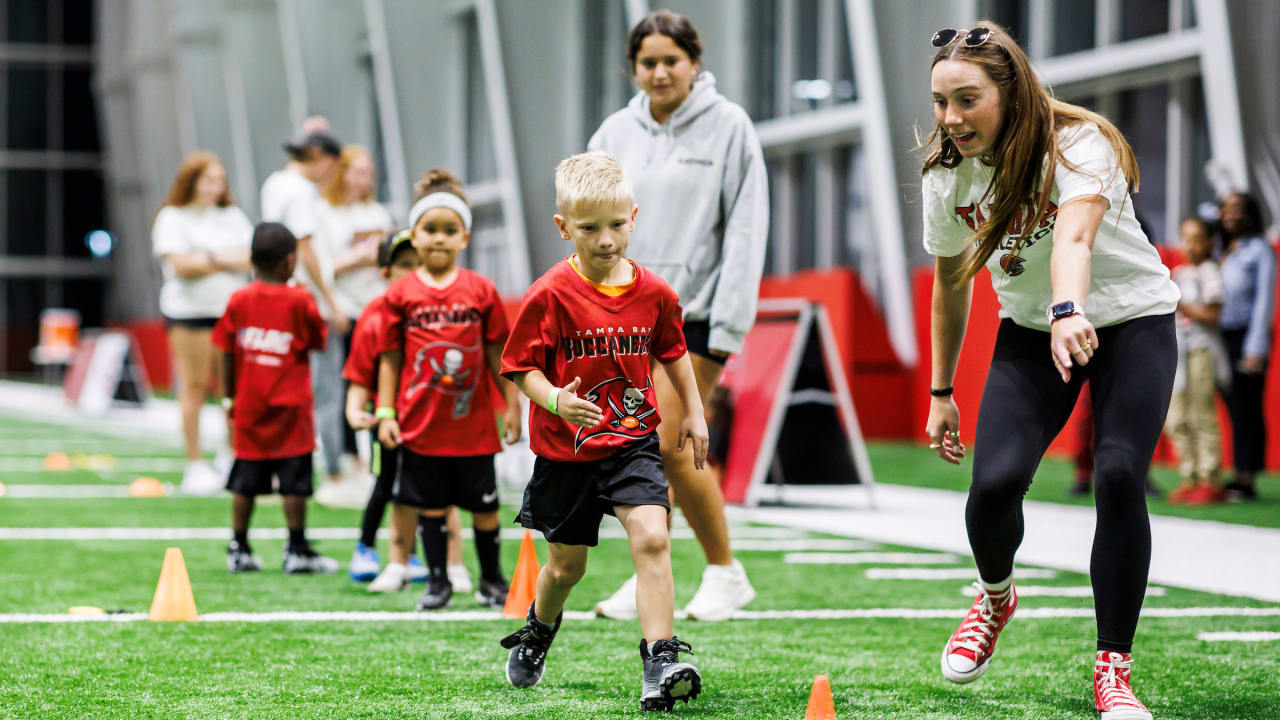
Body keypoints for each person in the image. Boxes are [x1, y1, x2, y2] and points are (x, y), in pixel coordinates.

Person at [921, 23, 1180, 719]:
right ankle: (996, 598)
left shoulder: (1079, 143)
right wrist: (941, 390)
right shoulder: (948, 175)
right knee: (994, 486)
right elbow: (951, 284)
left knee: (1121, 472)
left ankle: (1113, 669)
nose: (951, 119)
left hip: (1130, 320)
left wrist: (1071, 306)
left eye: (966, 100)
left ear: (1010, 93)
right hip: (1033, 333)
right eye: (942, 102)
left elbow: (1073, 236)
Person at [497, 151, 704, 711]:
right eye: (590, 228)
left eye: (617, 224)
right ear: (564, 227)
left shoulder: (655, 291)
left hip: (633, 442)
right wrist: (555, 399)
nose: (607, 239)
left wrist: (695, 412)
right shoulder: (550, 293)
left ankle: (660, 660)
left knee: (654, 538)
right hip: (566, 454)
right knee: (567, 568)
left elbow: (674, 351)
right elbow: (519, 366)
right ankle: (539, 629)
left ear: (633, 217)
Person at [587, 8, 767, 622]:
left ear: (694, 62)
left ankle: (724, 570)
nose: (660, 72)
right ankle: (651, 570)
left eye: (671, 60)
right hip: (620, 315)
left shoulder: (729, 127)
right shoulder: (614, 132)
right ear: (632, 68)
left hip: (698, 316)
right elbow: (587, 220)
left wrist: (729, 323)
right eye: (648, 62)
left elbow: (746, 230)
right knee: (638, 447)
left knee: (668, 442)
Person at [375, 169, 522, 610]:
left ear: (465, 237)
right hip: (420, 425)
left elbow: (501, 351)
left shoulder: (481, 290)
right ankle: (437, 581)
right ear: (414, 236)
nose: (439, 239)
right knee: (432, 508)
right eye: (430, 230)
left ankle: (492, 580)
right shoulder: (400, 294)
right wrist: (385, 412)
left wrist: (511, 406)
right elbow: (390, 358)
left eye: (449, 231)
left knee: (485, 509)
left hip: (473, 426)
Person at [342, 229, 471, 594]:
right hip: (392, 423)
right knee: (391, 489)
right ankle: (380, 555)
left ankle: (454, 564)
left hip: (437, 423)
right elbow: (358, 373)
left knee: (446, 495)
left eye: (419, 263)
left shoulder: (444, 311)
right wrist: (355, 410)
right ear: (386, 272)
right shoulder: (375, 315)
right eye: (404, 265)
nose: (414, 271)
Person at [213, 222, 338, 575]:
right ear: (290, 262)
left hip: (249, 408)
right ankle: (296, 548)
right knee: (295, 483)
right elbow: (318, 339)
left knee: (246, 480)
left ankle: (239, 546)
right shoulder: (300, 299)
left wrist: (228, 399)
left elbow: (225, 350)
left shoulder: (239, 300)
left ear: (251, 260)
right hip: (292, 411)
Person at [260, 127, 362, 508]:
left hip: (281, 301)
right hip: (309, 306)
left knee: (283, 389)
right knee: (328, 393)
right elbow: (305, 249)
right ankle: (334, 475)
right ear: (319, 154)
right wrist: (332, 302)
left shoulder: (275, 183)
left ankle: (273, 470)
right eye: (333, 166)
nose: (332, 176)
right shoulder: (301, 192)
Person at [152, 151, 253, 494]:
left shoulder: (233, 216)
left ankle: (231, 456)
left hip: (229, 313)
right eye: (208, 180)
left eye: (220, 181)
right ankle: (194, 464)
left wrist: (205, 258)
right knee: (194, 387)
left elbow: (250, 257)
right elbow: (181, 265)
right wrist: (222, 259)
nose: (215, 187)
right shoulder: (172, 217)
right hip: (188, 315)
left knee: (232, 389)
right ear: (191, 181)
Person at [320, 145, 394, 472]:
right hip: (344, 310)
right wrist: (358, 258)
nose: (363, 179)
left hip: (375, 308)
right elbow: (323, 267)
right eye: (357, 171)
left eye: (368, 173)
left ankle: (379, 445)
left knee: (381, 380)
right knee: (346, 383)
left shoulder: (377, 214)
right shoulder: (326, 214)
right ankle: (348, 454)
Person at [1165, 218, 1230, 505]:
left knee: (1201, 413)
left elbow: (1214, 315)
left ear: (1209, 243)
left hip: (1201, 349)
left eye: (1196, 239)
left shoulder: (1210, 271)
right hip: (1178, 348)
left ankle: (1210, 478)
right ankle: (1188, 476)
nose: (1189, 245)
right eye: (1185, 238)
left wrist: (1182, 305)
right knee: (1176, 415)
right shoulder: (1179, 272)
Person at [1216, 191, 1275, 501]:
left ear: (1249, 214)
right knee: (1232, 407)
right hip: (1220, 335)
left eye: (1236, 209)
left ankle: (1246, 476)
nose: (1229, 215)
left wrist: (1256, 349)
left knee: (1247, 407)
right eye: (1225, 208)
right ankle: (1234, 469)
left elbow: (1264, 301)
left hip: (1246, 336)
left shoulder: (1259, 250)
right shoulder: (1220, 249)